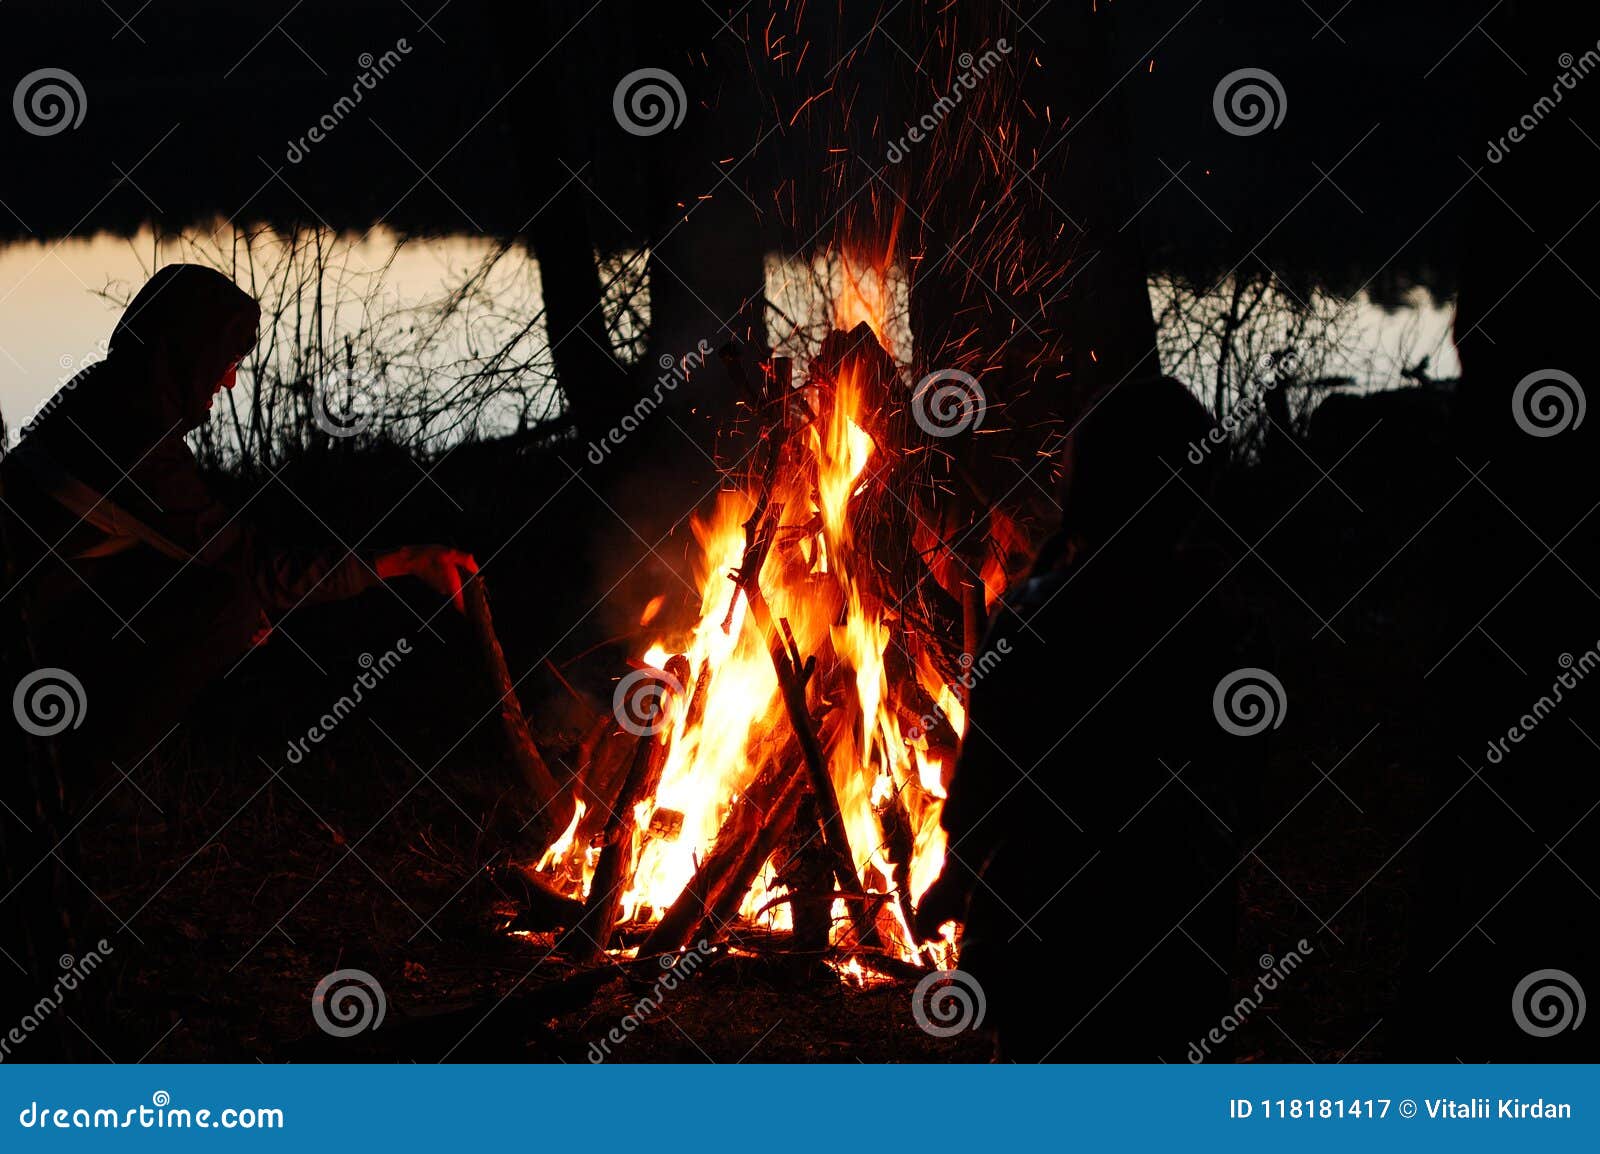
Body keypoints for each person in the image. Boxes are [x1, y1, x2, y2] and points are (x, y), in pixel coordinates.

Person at [0, 263, 477, 770]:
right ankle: (69, 789)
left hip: (39, 608)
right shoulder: (135, 437)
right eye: (224, 361)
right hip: (21, 637)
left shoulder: (111, 392)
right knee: (233, 608)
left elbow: (166, 536)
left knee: (228, 597)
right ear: (188, 351)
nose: (228, 381)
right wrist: (404, 561)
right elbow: (260, 568)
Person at [915, 377, 1248, 1061]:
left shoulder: (1040, 616)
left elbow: (990, 776)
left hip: (1049, 929)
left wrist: (958, 876)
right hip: (1175, 925)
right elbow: (1240, 773)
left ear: (1080, 491)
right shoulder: (1216, 620)